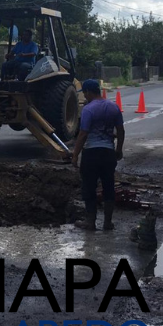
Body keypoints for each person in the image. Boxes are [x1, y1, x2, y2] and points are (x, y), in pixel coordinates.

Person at [71, 79, 124, 230]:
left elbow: (82, 134)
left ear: (88, 92)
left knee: (89, 187)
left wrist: (75, 155)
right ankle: (107, 222)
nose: (85, 96)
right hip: (108, 153)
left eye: (85, 93)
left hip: (91, 154)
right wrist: (118, 149)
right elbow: (120, 131)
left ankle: (91, 222)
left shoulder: (88, 109)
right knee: (108, 187)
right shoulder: (114, 107)